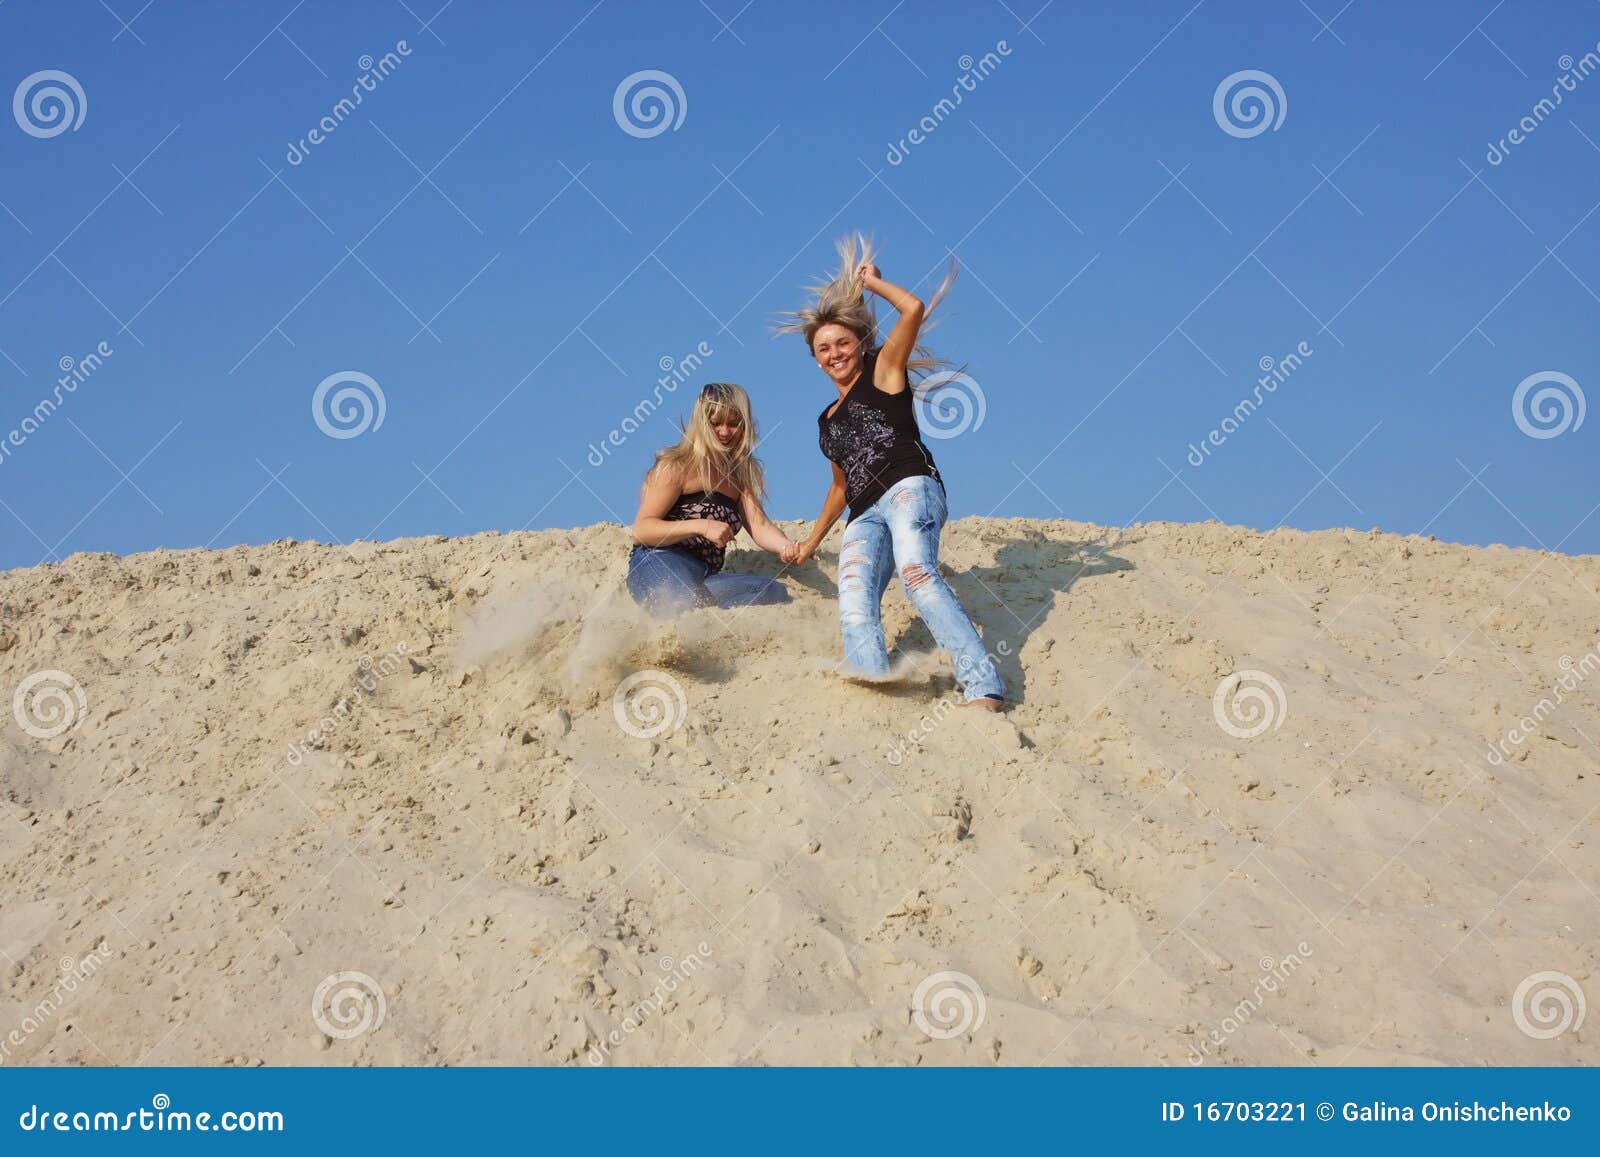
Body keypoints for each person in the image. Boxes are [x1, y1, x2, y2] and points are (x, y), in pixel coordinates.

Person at [783, 236, 1005, 709]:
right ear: (814, 358)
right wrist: (812, 542)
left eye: (842, 342)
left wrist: (875, 284)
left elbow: (913, 309)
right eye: (823, 348)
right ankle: (876, 694)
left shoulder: (884, 370)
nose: (833, 353)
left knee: (916, 573)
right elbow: (840, 486)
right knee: (855, 603)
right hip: (863, 513)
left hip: (908, 487)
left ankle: (983, 685)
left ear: (860, 344)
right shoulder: (825, 420)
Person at [627, 382, 797, 617]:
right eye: (715, 424)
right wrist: (702, 525)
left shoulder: (740, 475)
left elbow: (760, 526)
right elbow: (642, 530)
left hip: (704, 575)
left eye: (733, 423)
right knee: (683, 604)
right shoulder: (676, 466)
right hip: (659, 561)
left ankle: (716, 628)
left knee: (770, 591)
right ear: (700, 424)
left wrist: (788, 547)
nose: (725, 432)